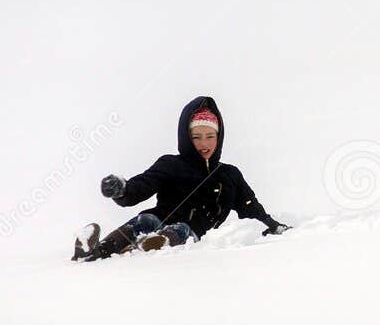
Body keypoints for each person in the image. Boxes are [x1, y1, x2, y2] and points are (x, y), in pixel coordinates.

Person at [72, 96, 290, 261]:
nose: (204, 143)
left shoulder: (229, 175)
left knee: (181, 230)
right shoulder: (171, 164)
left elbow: (250, 207)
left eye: (210, 136)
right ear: (186, 138)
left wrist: (272, 226)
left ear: (219, 137)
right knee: (145, 221)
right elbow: (142, 186)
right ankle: (98, 249)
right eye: (196, 137)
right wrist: (122, 189)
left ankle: (156, 244)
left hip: (194, 234)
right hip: (159, 218)